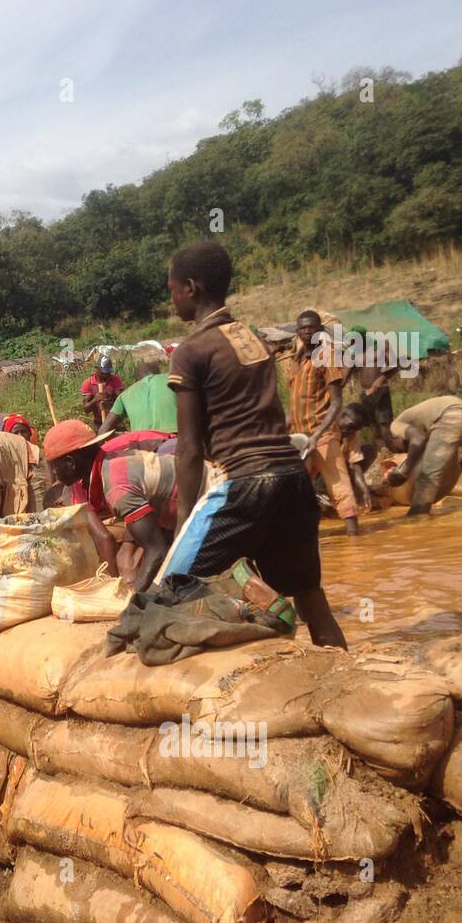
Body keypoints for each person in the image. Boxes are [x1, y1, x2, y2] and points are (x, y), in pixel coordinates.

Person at [158, 241, 345, 648]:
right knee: (312, 599)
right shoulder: (254, 339)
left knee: (168, 593)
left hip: (246, 484)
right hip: (292, 479)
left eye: (172, 289)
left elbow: (188, 449)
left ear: (190, 287)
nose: (171, 299)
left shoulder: (191, 351)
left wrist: (184, 524)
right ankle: (348, 681)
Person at [44, 420, 178, 592]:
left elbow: (156, 550)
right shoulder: (99, 471)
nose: (54, 474)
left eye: (54, 467)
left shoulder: (115, 482)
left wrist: (128, 602)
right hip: (167, 502)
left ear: (70, 462)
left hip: (201, 496)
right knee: (127, 561)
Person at [288, 310, 359, 535]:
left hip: (322, 433)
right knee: (299, 491)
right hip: (300, 438)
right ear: (297, 331)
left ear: (320, 329)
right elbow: (295, 400)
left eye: (311, 327)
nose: (307, 331)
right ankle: (307, 541)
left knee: (339, 485)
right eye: (302, 328)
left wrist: (317, 436)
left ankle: (355, 541)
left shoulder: (326, 355)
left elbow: (337, 403)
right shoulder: (296, 359)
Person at [380, 395, 462, 515]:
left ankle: (418, 517)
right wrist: (461, 466)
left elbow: (417, 440)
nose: (404, 450)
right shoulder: (422, 422)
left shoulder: (395, 426)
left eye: (399, 448)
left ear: (394, 438)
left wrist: (403, 472)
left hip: (450, 417)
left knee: (427, 477)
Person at [101, 360, 177, 436]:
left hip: (142, 443)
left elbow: (103, 431)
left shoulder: (125, 395)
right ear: (158, 373)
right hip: (175, 438)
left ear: (136, 380)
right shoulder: (172, 379)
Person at [81, 353, 124, 428]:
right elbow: (86, 410)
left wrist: (108, 405)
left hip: (114, 421)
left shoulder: (115, 380)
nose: (106, 375)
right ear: (97, 369)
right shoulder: (88, 383)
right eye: (103, 372)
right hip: (99, 422)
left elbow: (121, 401)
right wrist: (95, 400)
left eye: (108, 372)